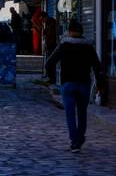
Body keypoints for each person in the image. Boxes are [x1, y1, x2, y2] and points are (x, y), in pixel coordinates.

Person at [44, 20, 108, 152]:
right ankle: (80, 138)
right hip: (84, 84)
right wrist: (100, 86)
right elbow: (97, 67)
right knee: (82, 113)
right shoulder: (89, 47)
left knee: (70, 115)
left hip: (68, 84)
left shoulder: (64, 46)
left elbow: (49, 63)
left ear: (70, 31)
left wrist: (53, 78)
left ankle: (75, 142)